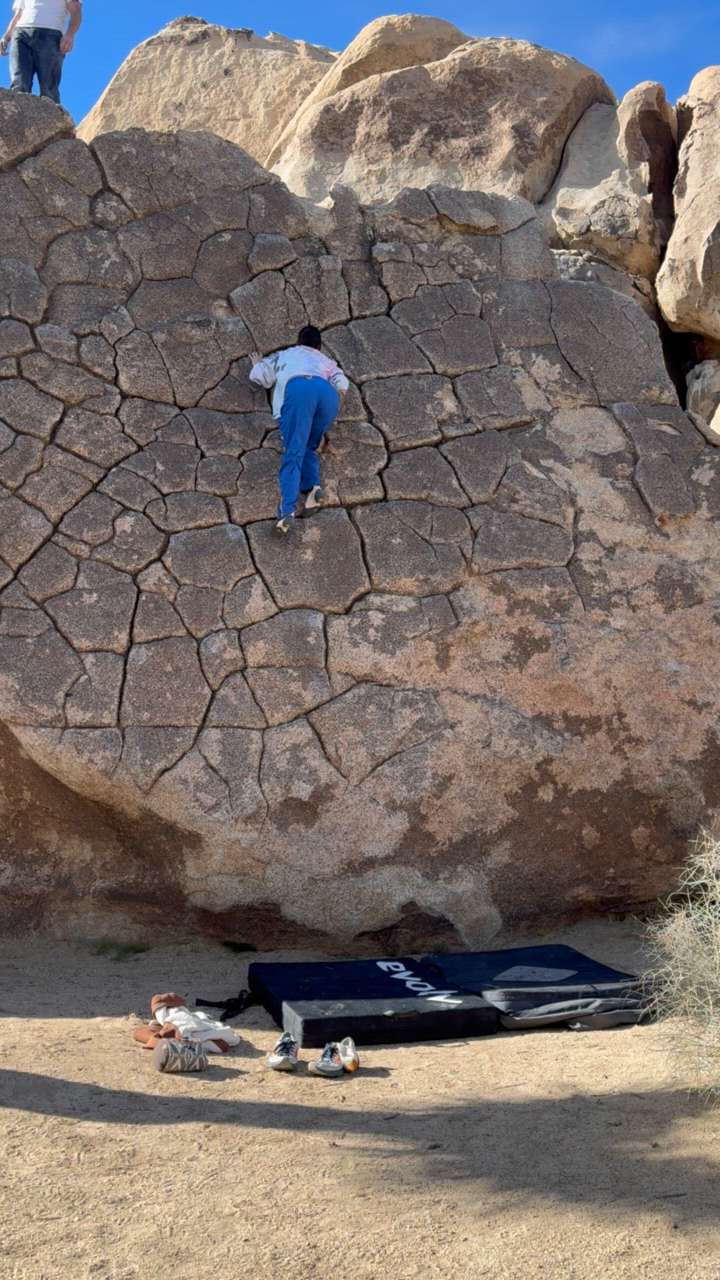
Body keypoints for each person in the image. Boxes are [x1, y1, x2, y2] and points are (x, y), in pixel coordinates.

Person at [249, 325, 349, 534]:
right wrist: (337, 397)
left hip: (299, 390)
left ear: (298, 342)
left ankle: (286, 512)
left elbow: (262, 377)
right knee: (309, 446)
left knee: (293, 452)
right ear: (319, 346)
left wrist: (257, 363)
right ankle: (313, 489)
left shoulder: (286, 354)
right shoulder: (326, 361)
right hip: (327, 395)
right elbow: (342, 382)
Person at [0, 0, 82, 105]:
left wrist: (70, 35)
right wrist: (6, 37)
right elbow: (18, 15)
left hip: (51, 35)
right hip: (21, 34)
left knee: (49, 89)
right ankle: (17, 119)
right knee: (19, 84)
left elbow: (76, 10)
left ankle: (52, 120)